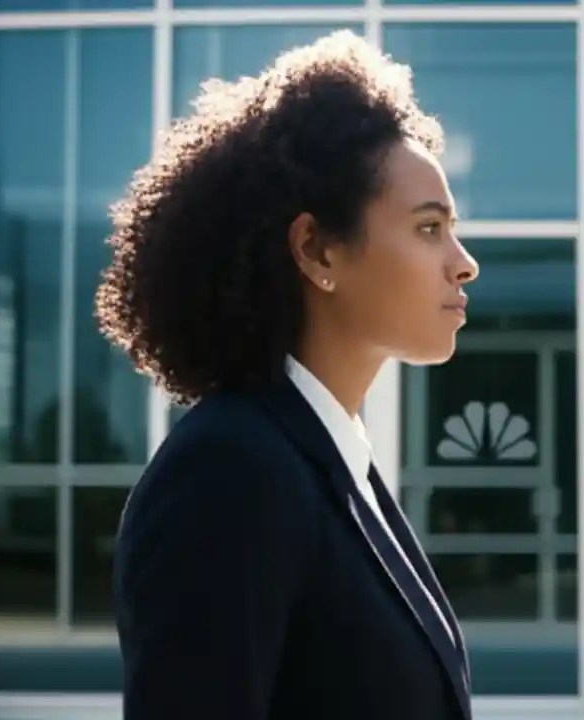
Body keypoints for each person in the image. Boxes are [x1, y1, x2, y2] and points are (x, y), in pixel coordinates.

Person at [96, 30, 479, 720]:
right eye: (428, 228)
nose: (463, 262)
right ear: (315, 248)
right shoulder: (230, 471)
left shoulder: (334, 465)